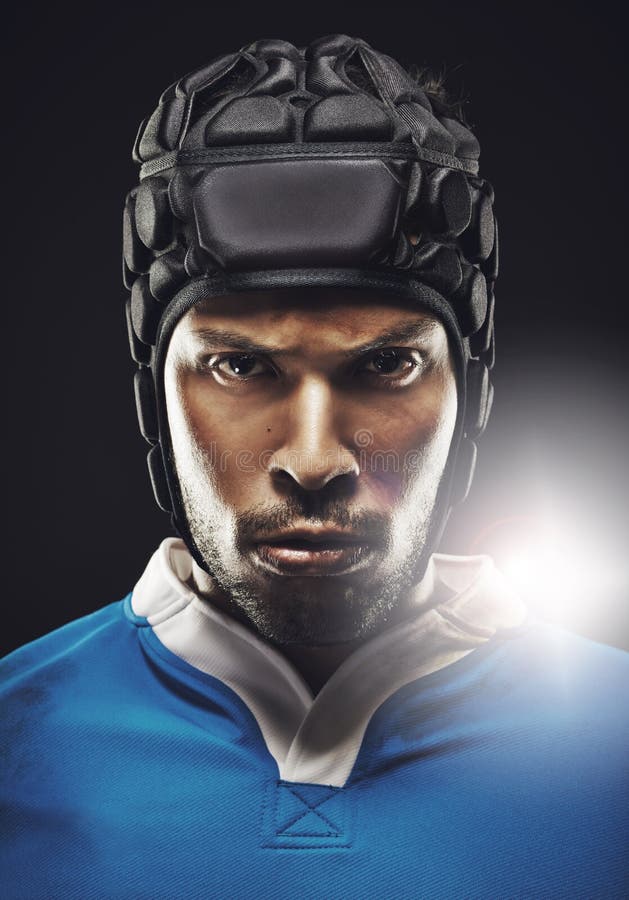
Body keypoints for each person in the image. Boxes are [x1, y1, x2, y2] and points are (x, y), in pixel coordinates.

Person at [2, 34, 627, 899]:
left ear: (470, 392)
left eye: (385, 366)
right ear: (156, 398)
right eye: (240, 367)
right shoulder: (14, 739)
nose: (313, 459)